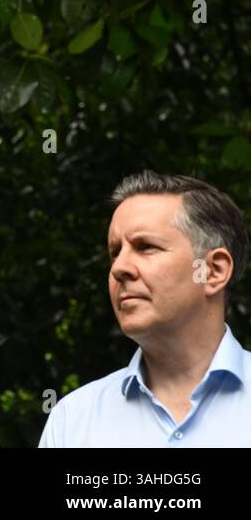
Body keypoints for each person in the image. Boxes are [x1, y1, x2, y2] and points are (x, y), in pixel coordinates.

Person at [39, 170, 251, 446]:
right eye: (115, 251)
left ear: (212, 271)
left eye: (145, 247)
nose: (119, 268)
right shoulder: (72, 420)